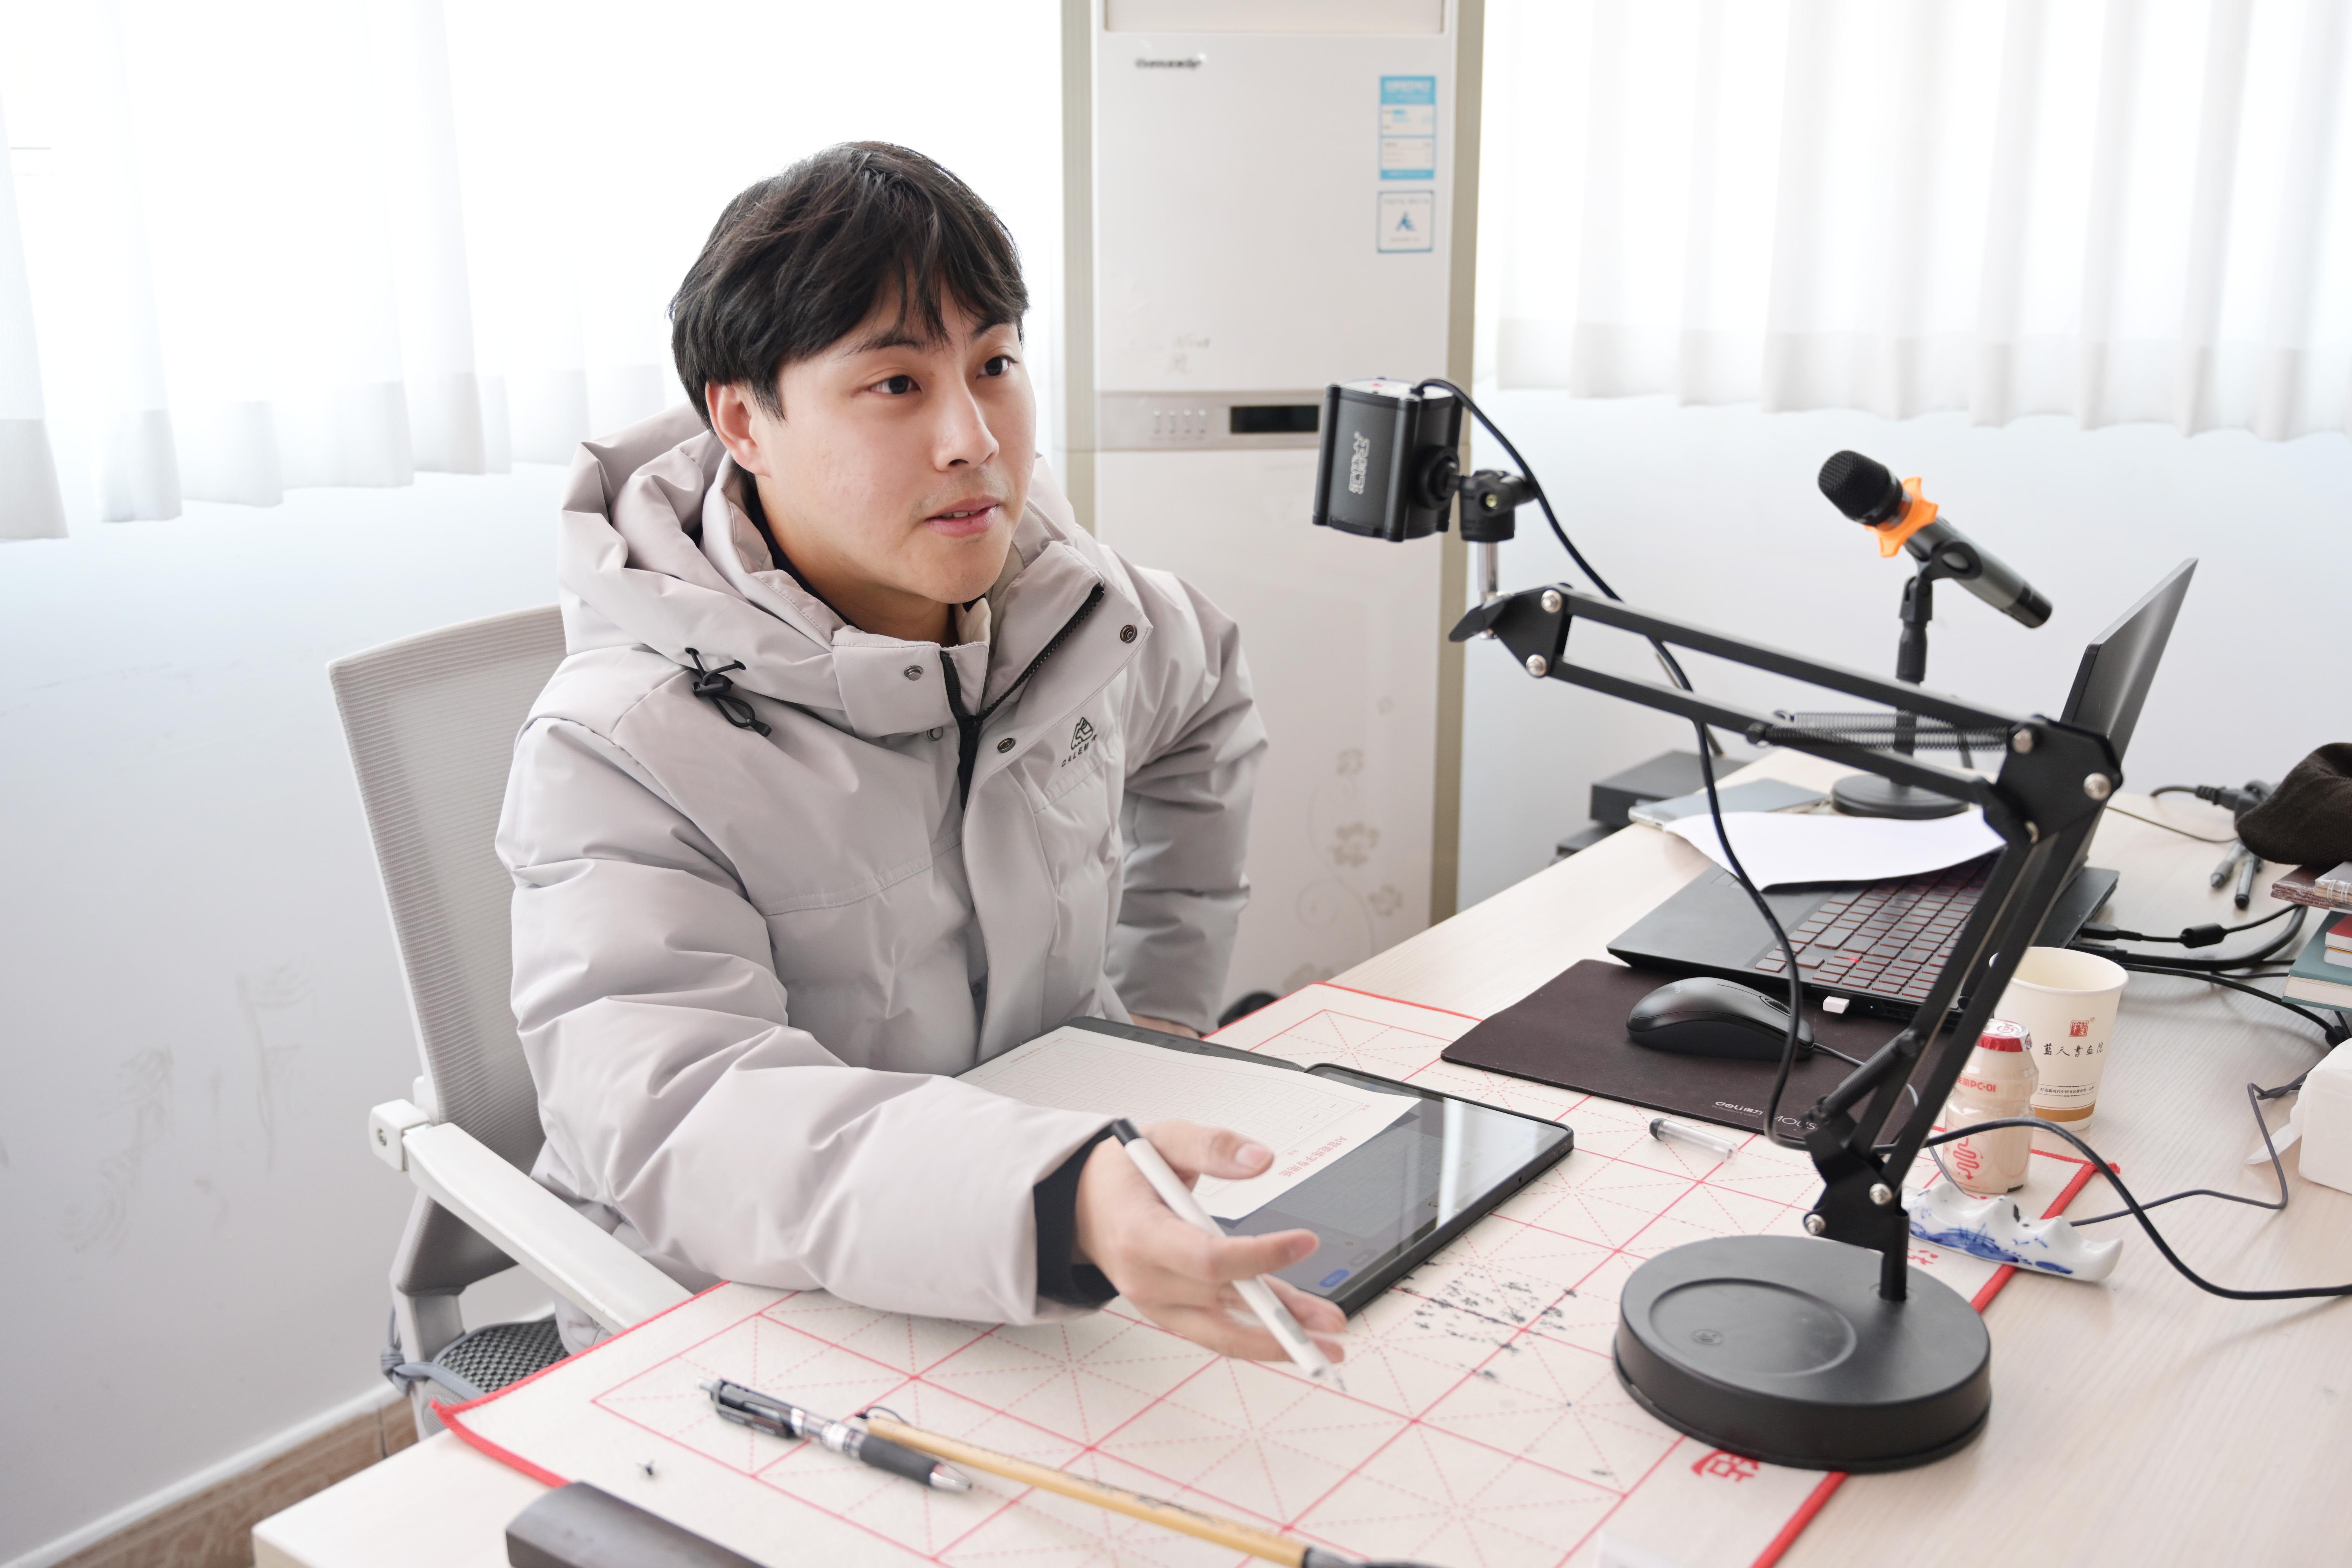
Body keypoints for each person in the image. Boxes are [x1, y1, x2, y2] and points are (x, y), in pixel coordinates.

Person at [499, 142, 1344, 1366]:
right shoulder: (618, 748)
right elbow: (685, 1114)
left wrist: (1157, 1023)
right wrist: (1051, 1196)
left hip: (1057, 1238)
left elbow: (1205, 700)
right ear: (744, 421)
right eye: (896, 383)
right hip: (738, 1317)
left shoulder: (1076, 614)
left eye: (995, 364)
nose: (972, 437)